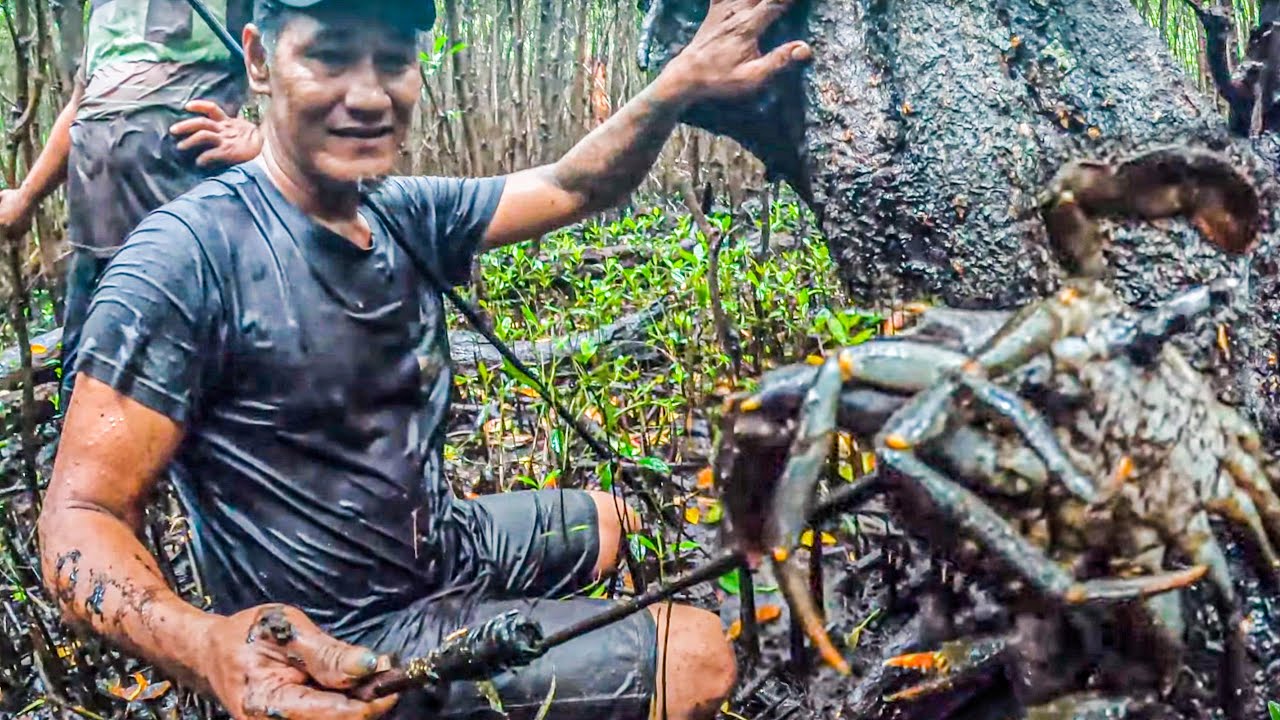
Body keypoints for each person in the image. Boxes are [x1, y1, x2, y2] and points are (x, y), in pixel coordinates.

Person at [37, 1, 813, 719]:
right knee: (699, 657)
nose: (369, 95)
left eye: (393, 60)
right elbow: (80, 518)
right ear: (260, 62)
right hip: (347, 640)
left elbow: (573, 184)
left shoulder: (399, 209)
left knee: (617, 521)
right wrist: (207, 646)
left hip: (439, 543)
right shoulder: (182, 259)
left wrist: (679, 83)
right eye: (332, 58)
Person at [0, 0, 262, 402]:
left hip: (186, 236)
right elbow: (79, 108)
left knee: (182, 389)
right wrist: (26, 197)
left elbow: (307, 64)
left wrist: (264, 138)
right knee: (83, 386)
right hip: (94, 237)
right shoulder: (106, 7)